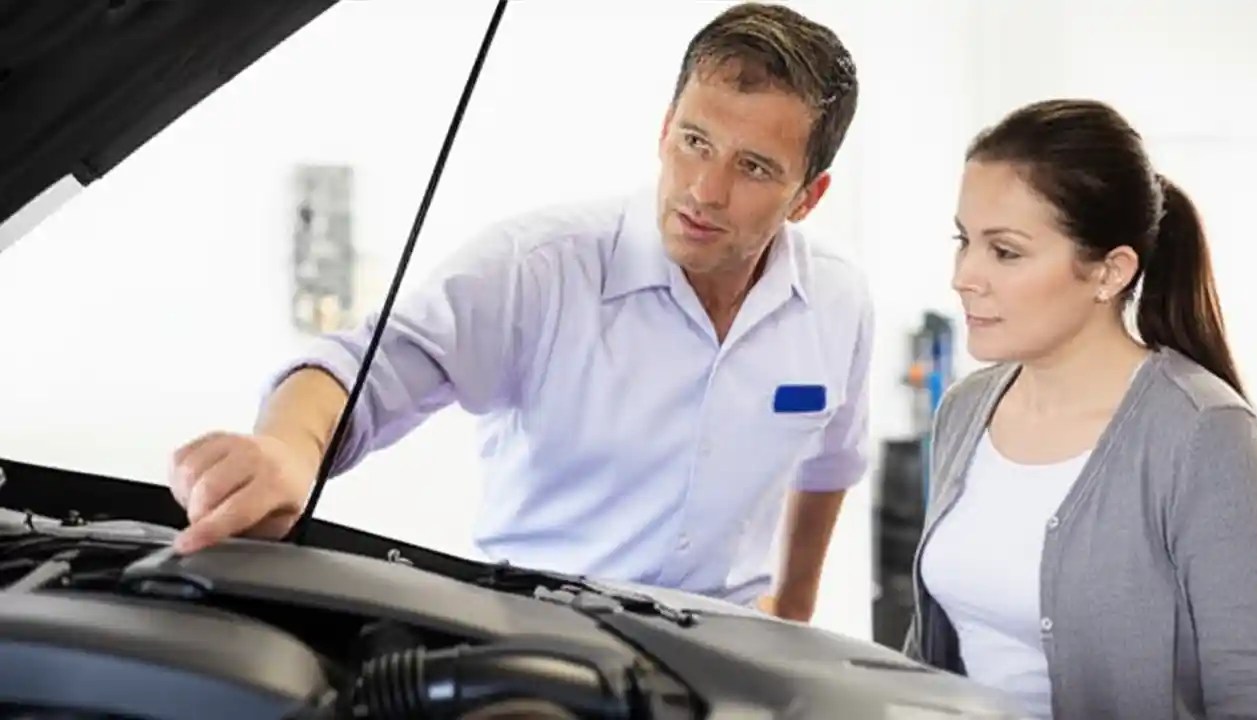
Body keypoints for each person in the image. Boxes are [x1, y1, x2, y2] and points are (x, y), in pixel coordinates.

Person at [166, 2, 872, 623]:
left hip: (727, 659)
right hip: (539, 643)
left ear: (807, 196)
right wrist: (290, 449)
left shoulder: (838, 303)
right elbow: (362, 368)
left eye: (752, 167)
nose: (704, 191)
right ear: (664, 129)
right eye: (695, 142)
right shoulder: (539, 267)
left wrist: (795, 613)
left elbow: (832, 460)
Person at [903, 98, 1257, 719]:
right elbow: (927, 659)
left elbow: (1254, 701)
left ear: (1109, 271)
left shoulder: (1203, 434)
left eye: (1006, 252)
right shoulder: (966, 410)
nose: (964, 276)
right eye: (963, 241)